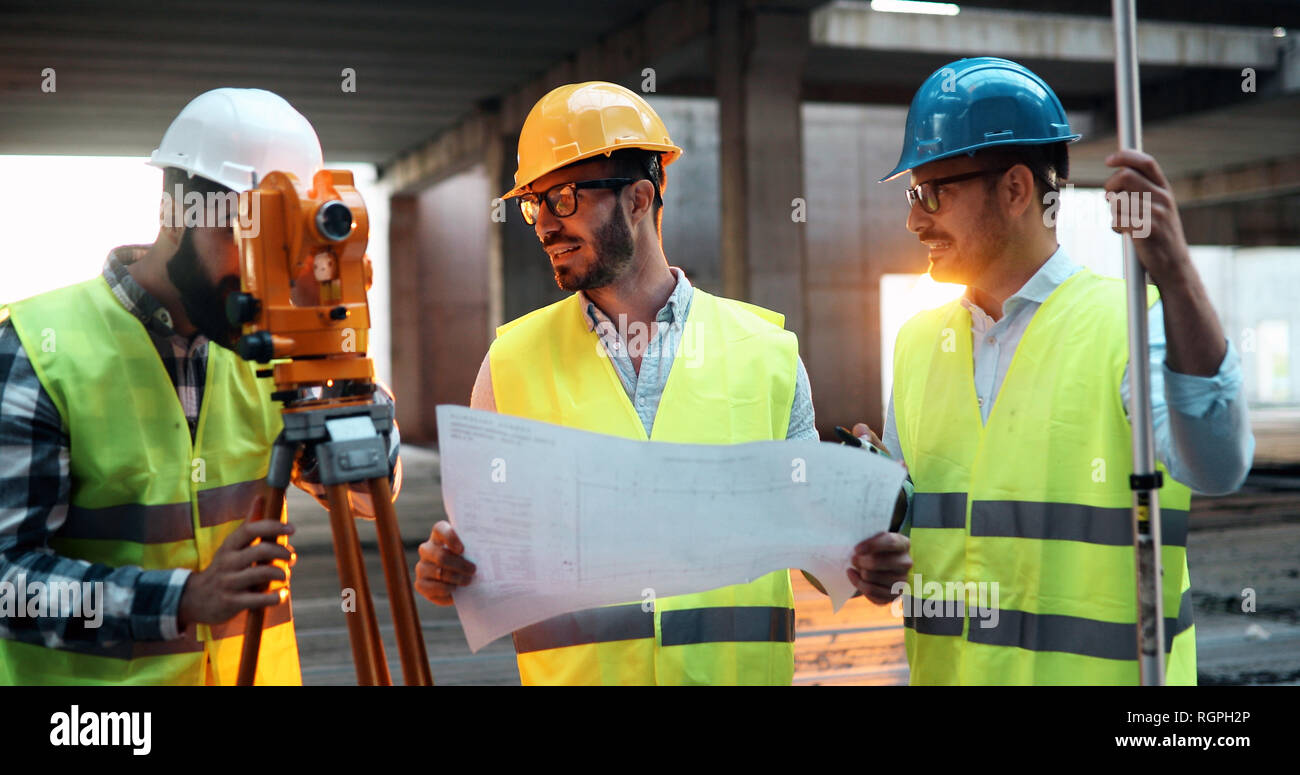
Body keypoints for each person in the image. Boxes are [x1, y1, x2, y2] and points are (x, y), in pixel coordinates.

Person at [414, 81, 911, 685]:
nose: (544, 224)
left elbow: (814, 553)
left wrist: (865, 562)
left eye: (564, 198)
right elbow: (480, 554)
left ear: (639, 198)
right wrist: (447, 568)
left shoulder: (766, 355)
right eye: (534, 204)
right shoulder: (510, 364)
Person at [863, 57, 1254, 684]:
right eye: (914, 195)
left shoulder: (1130, 323)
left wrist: (1176, 274)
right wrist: (877, 558)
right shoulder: (916, 344)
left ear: (1016, 189)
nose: (915, 219)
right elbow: (918, 536)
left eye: (932, 192)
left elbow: (1218, 465)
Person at [0, 88, 400, 685]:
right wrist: (182, 599)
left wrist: (335, 341)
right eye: (245, 235)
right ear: (178, 209)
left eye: (281, 244)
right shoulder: (37, 349)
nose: (262, 272)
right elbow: (9, 586)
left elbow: (373, 492)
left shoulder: (269, 342)